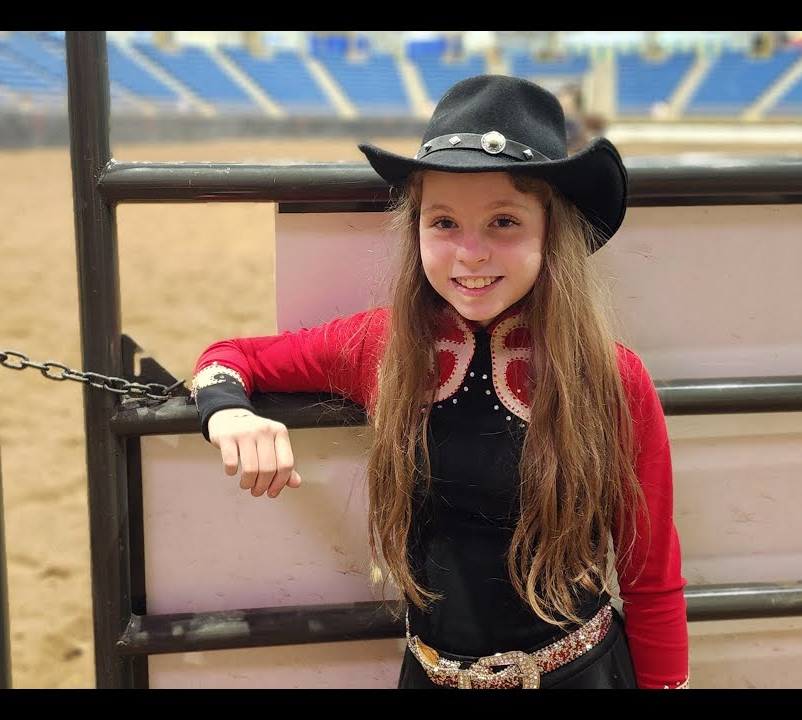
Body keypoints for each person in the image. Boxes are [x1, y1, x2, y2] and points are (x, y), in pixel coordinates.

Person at [190, 74, 690, 690]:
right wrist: (229, 413)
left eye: (504, 221)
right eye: (444, 222)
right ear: (416, 229)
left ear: (550, 232)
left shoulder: (610, 377)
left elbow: (652, 577)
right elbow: (231, 355)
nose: (470, 253)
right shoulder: (385, 348)